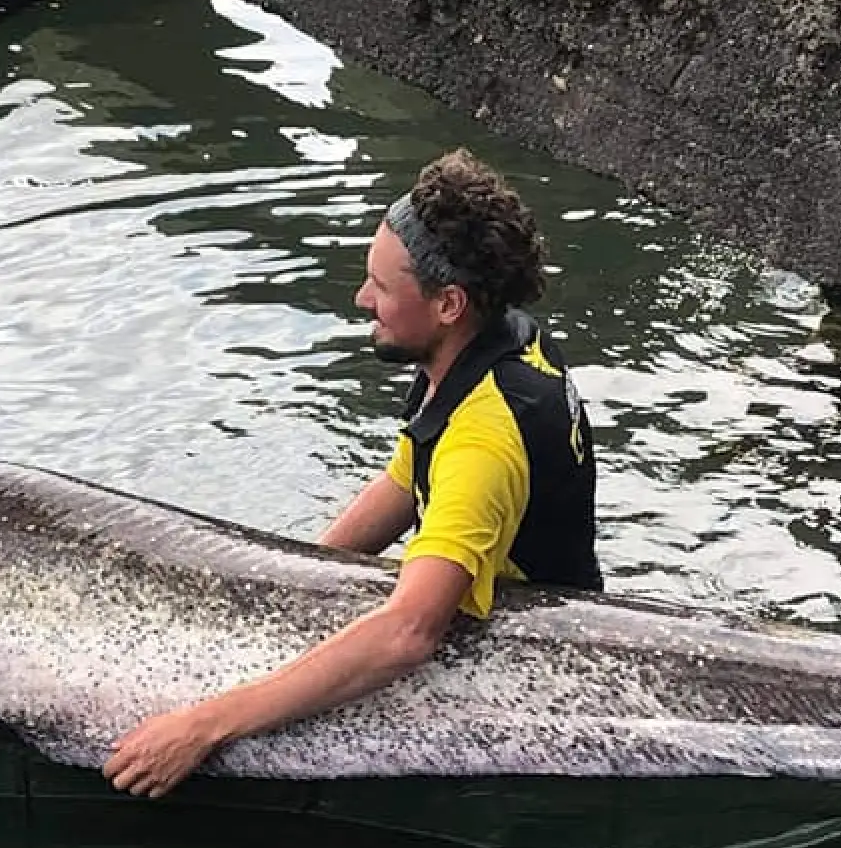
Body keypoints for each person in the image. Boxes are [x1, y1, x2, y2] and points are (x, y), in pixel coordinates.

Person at [102, 148, 601, 799]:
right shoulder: (495, 343)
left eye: (383, 289)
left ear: (449, 303)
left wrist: (203, 727)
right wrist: (283, 580)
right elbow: (404, 483)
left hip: (534, 667)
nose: (363, 298)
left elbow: (408, 633)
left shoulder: (483, 441)